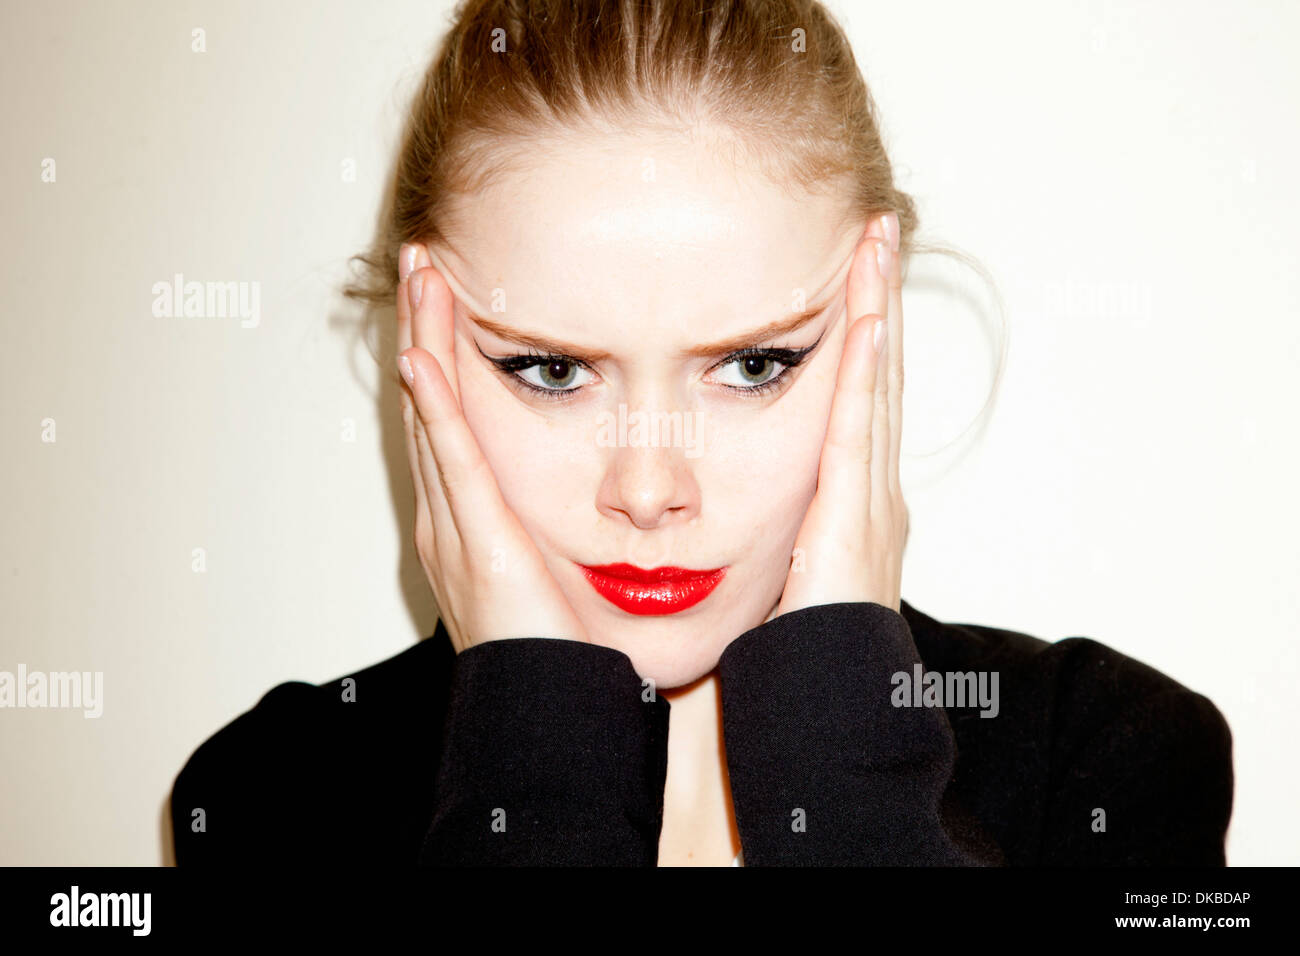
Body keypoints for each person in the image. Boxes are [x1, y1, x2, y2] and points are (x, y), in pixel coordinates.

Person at [170, 0, 1233, 866]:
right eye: (549, 370)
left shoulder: (1108, 760)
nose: (646, 486)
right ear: (429, 342)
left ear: (879, 323)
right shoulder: (270, 797)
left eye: (753, 364)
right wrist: (536, 763)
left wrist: (849, 780)